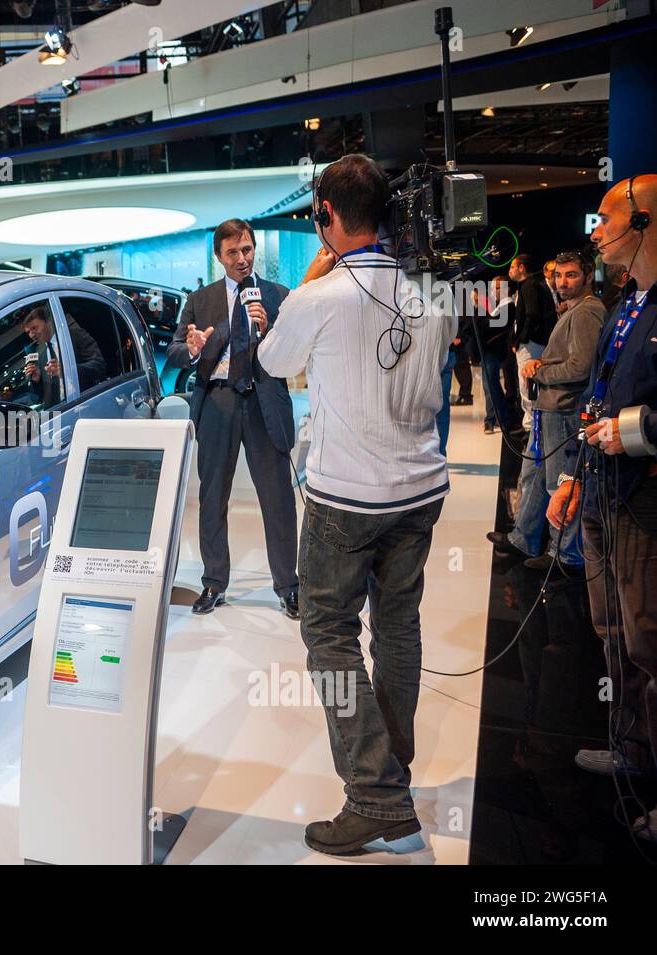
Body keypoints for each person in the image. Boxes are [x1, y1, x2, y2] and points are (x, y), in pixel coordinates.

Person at [256, 154, 456, 855]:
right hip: (421, 492)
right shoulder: (432, 303)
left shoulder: (318, 296)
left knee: (329, 635)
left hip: (347, 501)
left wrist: (315, 274)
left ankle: (377, 799)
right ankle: (390, 775)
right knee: (397, 625)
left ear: (326, 217)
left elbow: (274, 361)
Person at [547, 174, 657, 840]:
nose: (595, 230)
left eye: (608, 218)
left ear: (643, 222)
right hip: (601, 493)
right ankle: (633, 748)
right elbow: (597, 394)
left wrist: (634, 430)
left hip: (646, 505)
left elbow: (629, 414)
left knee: (650, 643)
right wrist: (572, 476)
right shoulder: (624, 305)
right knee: (612, 630)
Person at [166, 218, 299, 619]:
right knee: (212, 497)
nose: (242, 259)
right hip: (218, 401)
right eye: (232, 253)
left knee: (277, 497)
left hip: (263, 402)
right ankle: (214, 583)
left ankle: (289, 586)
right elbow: (175, 352)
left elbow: (294, 354)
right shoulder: (200, 300)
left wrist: (270, 328)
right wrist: (191, 348)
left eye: (247, 250)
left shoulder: (279, 296)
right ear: (218, 257)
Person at [490, 251, 605, 570]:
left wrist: (538, 371)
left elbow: (580, 368)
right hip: (549, 408)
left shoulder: (587, 311)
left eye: (571, 275)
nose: (563, 281)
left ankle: (565, 554)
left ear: (587, 276)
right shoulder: (574, 308)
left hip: (564, 409)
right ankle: (523, 539)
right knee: (534, 475)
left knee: (560, 483)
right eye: (559, 275)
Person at [509, 253, 560, 430]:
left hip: (531, 345)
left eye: (512, 267)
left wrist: (521, 339)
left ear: (521, 268)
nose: (510, 271)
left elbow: (532, 314)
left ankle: (530, 428)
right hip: (534, 343)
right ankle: (531, 426)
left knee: (527, 386)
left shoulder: (529, 285)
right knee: (528, 385)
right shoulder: (533, 285)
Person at [20, 304, 106, 406]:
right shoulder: (41, 357)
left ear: (48, 322)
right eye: (28, 332)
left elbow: (99, 365)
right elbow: (44, 397)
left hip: (89, 403)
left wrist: (68, 371)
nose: (32, 335)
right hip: (63, 412)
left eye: (34, 328)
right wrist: (37, 381)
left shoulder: (75, 336)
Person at [471, 275, 519, 435]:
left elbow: (486, 327)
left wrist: (479, 311)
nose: (493, 291)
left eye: (497, 287)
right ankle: (496, 419)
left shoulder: (509, 307)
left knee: (491, 386)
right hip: (491, 351)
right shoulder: (500, 306)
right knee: (490, 387)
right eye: (493, 287)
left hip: (496, 351)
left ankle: (498, 420)